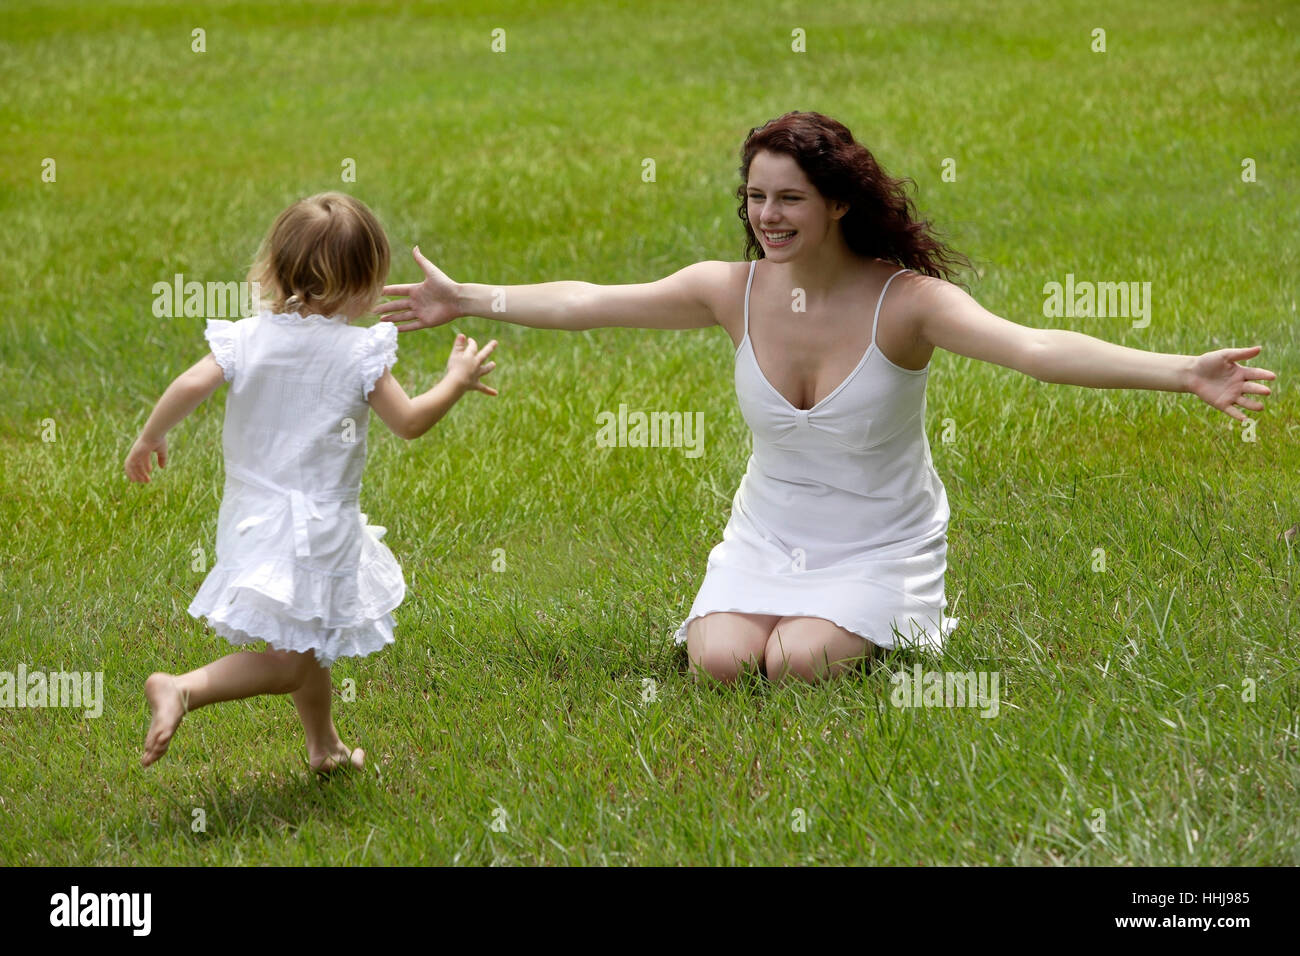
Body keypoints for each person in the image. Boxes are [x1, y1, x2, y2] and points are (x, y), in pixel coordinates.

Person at [377, 111, 1275, 686]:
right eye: (756, 196)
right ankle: (765, 609)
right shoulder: (730, 290)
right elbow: (586, 301)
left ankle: (890, 620)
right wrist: (468, 298)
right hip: (769, 533)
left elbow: (1036, 351)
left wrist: (1182, 372)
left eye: (790, 198)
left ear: (839, 203)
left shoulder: (908, 304)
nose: (767, 216)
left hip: (881, 539)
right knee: (724, 663)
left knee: (800, 660)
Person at [125, 192, 498, 770]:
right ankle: (182, 687)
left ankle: (323, 746)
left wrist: (151, 436)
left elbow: (191, 384)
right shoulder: (358, 353)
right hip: (313, 525)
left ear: (277, 267)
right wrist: (456, 379)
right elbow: (411, 422)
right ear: (363, 281)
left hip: (251, 516)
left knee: (312, 634)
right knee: (292, 661)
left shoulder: (248, 337)